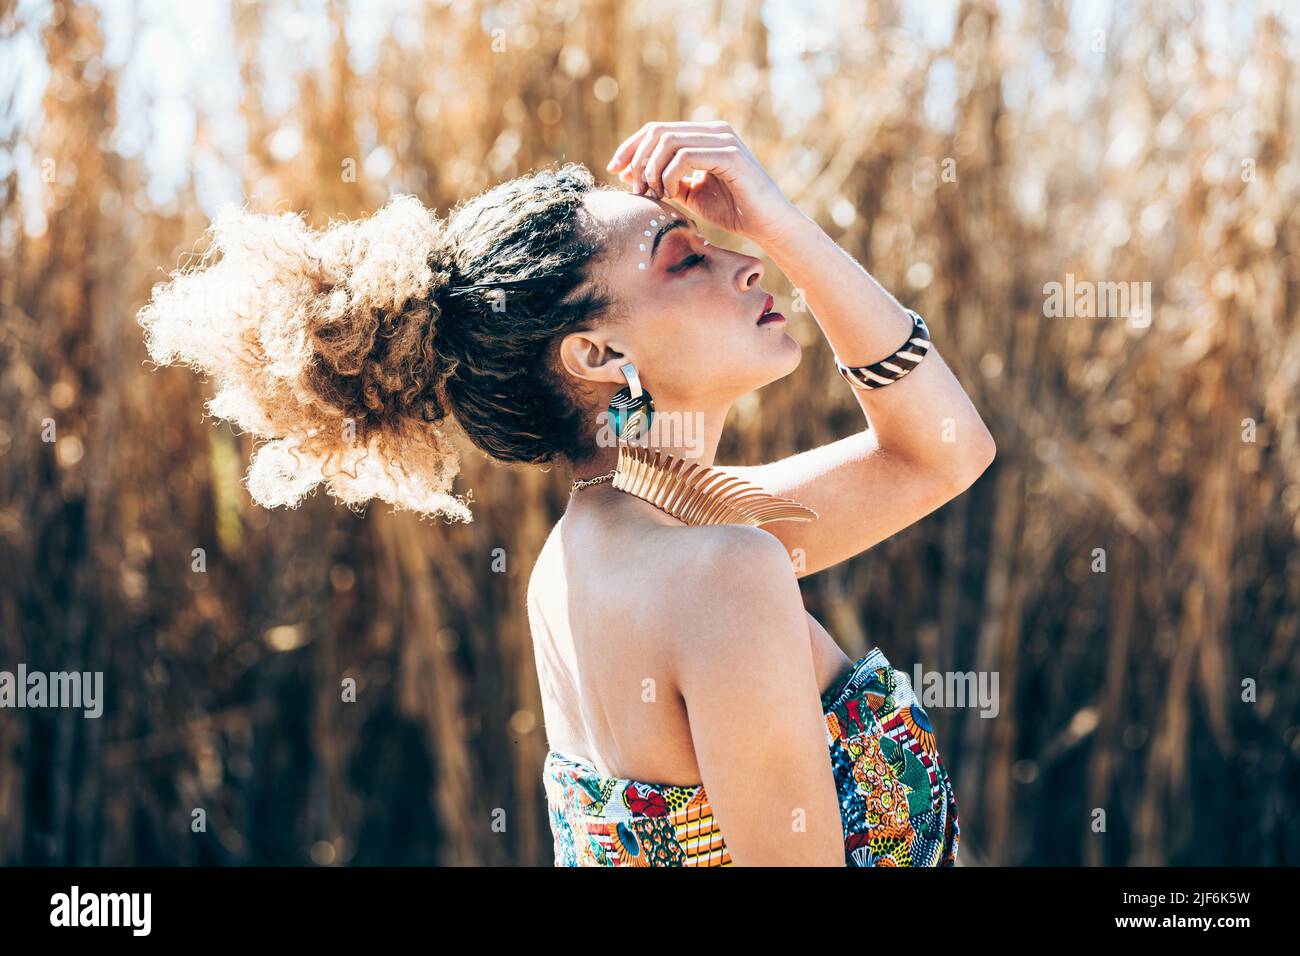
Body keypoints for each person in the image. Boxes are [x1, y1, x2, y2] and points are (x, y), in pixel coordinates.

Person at [138, 119, 994, 867]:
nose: (743, 263)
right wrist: (789, 230)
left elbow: (941, 455)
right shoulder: (719, 572)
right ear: (593, 357)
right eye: (687, 258)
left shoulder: (619, 551)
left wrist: (785, 229)